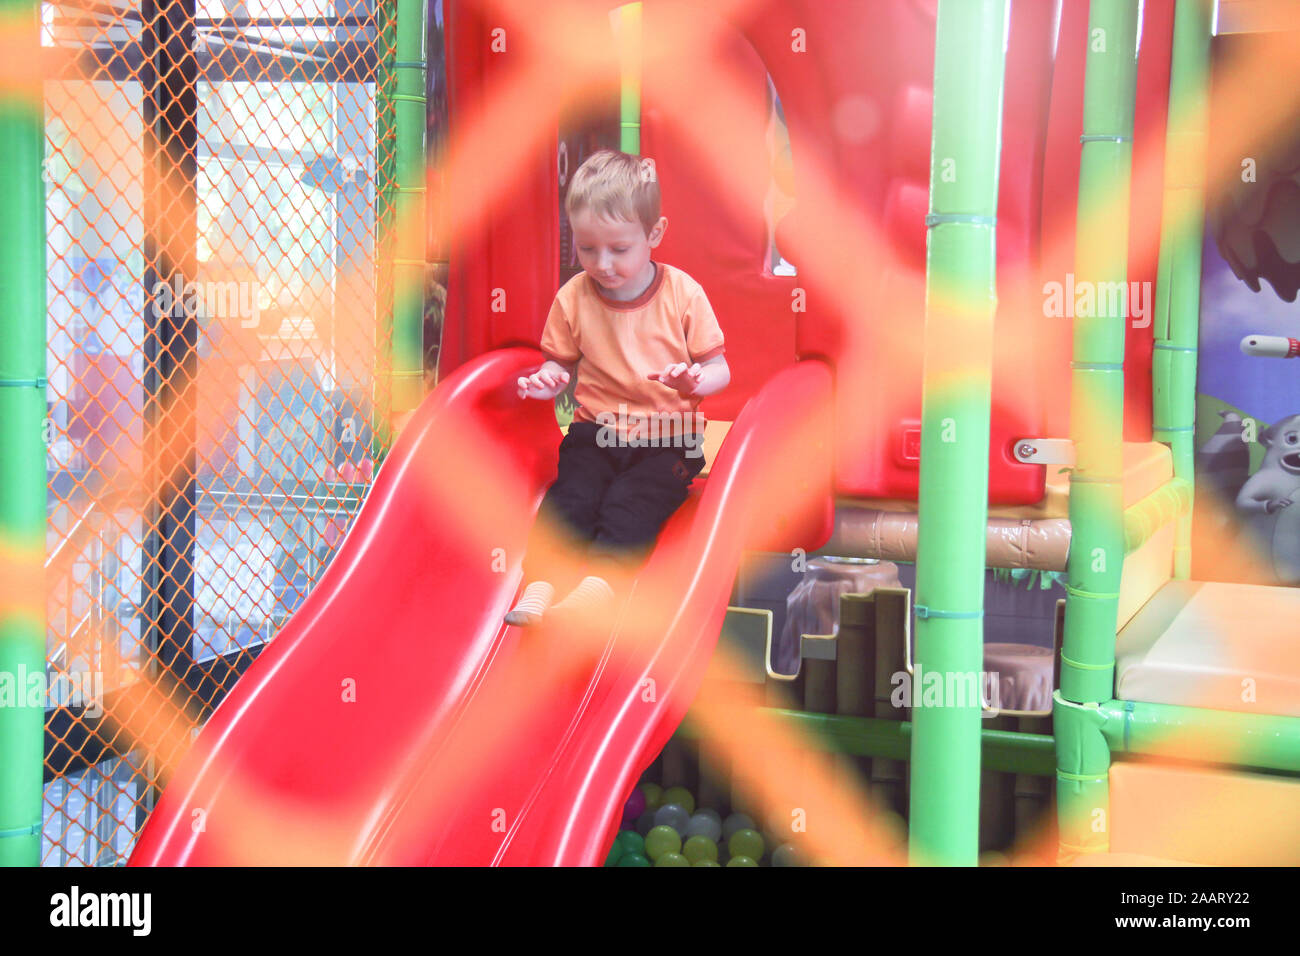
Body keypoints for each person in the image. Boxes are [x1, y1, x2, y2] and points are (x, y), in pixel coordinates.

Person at [505, 149, 730, 627]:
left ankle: (599, 587)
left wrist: (696, 379)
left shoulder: (682, 294)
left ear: (654, 235)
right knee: (572, 494)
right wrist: (547, 382)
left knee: (632, 500)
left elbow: (719, 368)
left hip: (668, 437)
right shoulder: (574, 297)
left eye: (618, 249)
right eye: (587, 248)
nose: (602, 263)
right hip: (597, 431)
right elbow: (559, 368)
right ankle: (543, 582)